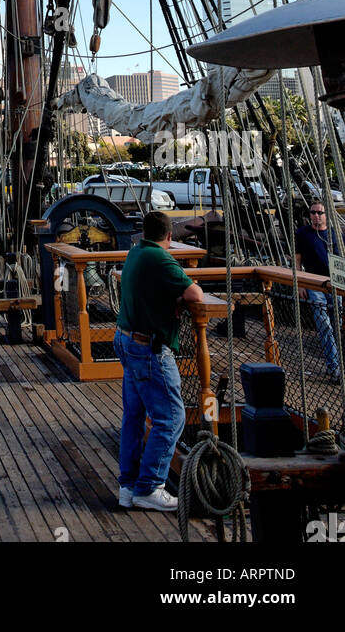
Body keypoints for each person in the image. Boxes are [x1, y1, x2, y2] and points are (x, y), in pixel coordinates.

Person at [114, 210, 203, 513]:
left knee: (134, 417)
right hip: (148, 349)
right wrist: (181, 299)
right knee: (171, 418)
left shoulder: (136, 251)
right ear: (169, 237)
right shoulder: (160, 258)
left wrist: (172, 300)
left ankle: (127, 487)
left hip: (126, 339)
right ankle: (150, 487)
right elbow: (194, 293)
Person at [295, 199, 342, 382]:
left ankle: (335, 364)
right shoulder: (303, 234)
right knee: (324, 324)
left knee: (336, 325)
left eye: (320, 213)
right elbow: (297, 261)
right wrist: (300, 284)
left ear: (326, 215)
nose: (316, 216)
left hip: (334, 285)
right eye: (313, 213)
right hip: (314, 284)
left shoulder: (335, 235)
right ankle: (334, 368)